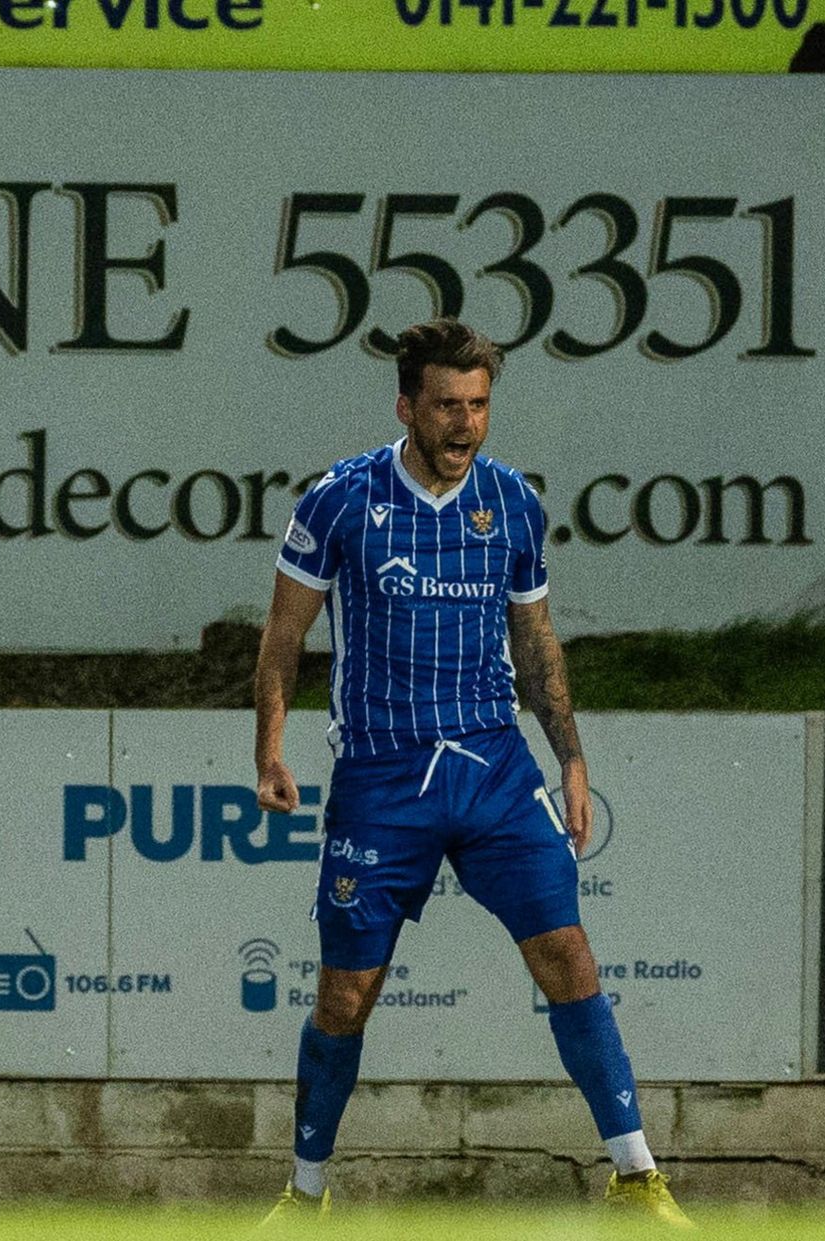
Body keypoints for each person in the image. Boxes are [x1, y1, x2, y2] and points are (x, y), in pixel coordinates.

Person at [251, 318, 687, 1228]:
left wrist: (570, 756)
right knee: (345, 992)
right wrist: (270, 748)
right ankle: (303, 1191)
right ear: (406, 404)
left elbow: (535, 640)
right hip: (382, 773)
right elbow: (284, 636)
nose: (465, 424)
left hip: (492, 766)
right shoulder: (338, 501)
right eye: (447, 405)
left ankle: (638, 1176)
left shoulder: (512, 505)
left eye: (479, 405)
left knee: (568, 953)